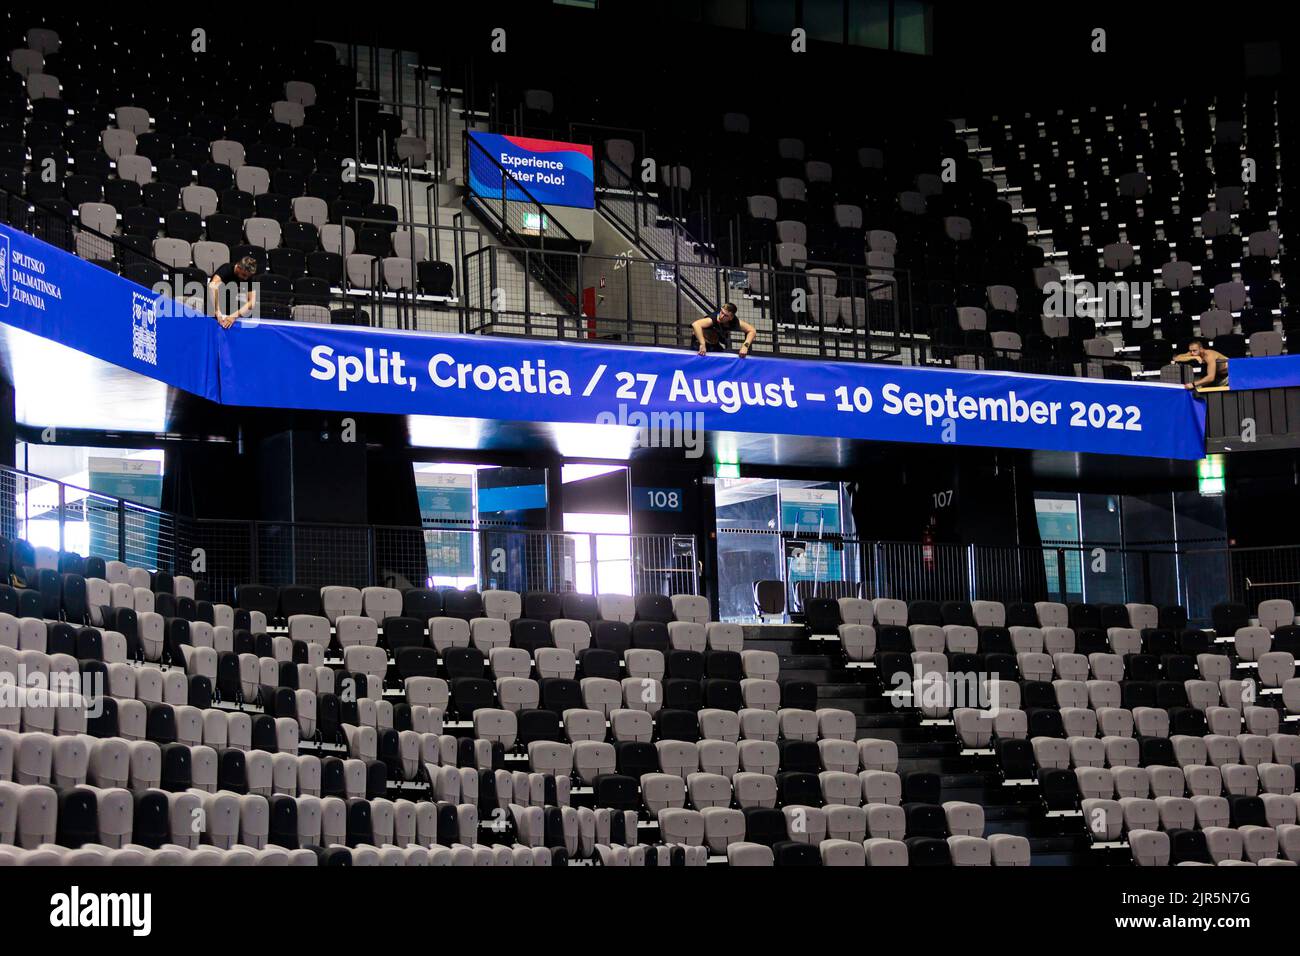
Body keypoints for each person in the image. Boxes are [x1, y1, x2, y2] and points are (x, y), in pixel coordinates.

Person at [208, 255, 260, 329]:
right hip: (216, 301)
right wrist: (217, 310)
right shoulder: (226, 268)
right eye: (244, 275)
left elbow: (252, 302)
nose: (246, 278)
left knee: (249, 312)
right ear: (238, 267)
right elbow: (212, 286)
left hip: (231, 302)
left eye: (248, 276)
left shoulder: (248, 276)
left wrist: (234, 316)